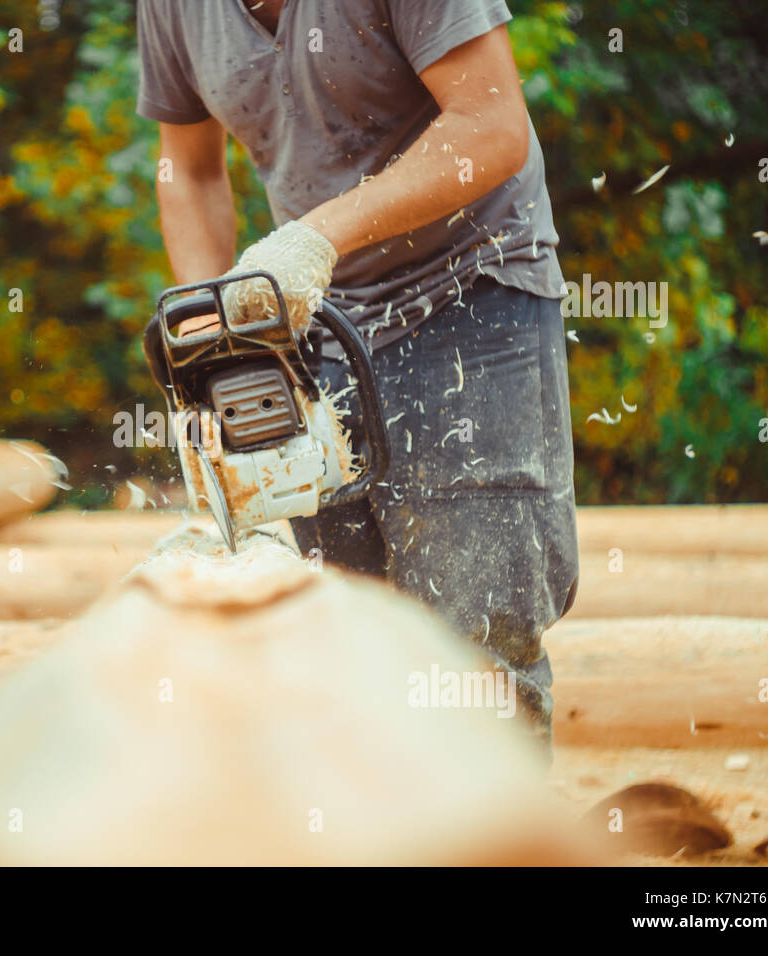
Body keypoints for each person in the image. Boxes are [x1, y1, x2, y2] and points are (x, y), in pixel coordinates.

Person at [137, 0, 580, 747]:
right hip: (316, 327)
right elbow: (187, 168)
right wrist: (217, 339)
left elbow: (492, 128)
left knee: (473, 644)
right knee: (345, 640)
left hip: (471, 294)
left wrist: (315, 237)